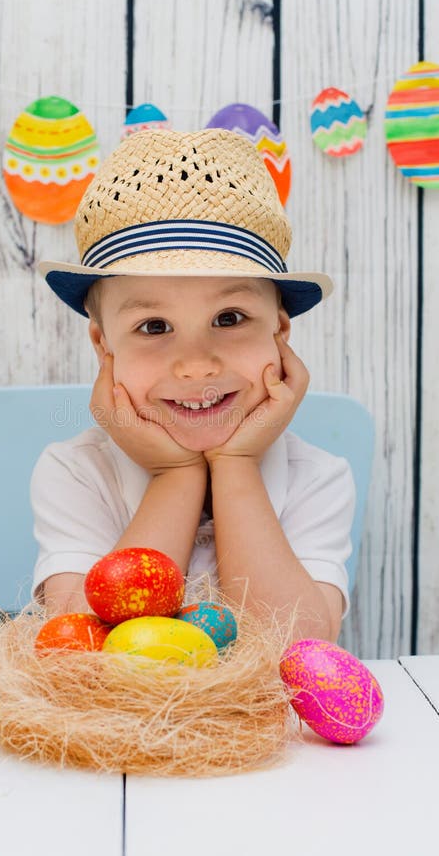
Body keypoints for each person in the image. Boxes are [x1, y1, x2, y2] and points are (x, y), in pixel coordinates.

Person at [30, 128, 355, 643]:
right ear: (104, 346)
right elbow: (85, 650)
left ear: (280, 332)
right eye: (154, 326)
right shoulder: (77, 473)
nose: (196, 366)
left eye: (229, 318)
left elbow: (299, 649)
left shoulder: (316, 478)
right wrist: (174, 476)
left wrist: (237, 466)